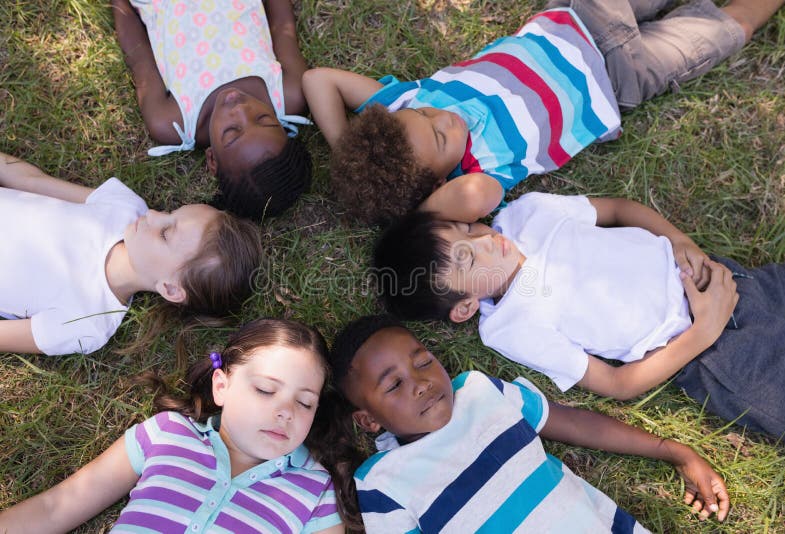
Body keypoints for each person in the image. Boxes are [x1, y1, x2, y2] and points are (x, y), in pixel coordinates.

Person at [373, 191, 785, 447]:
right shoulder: (509, 326)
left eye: (465, 227)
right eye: (468, 255)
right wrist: (705, 331)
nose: (484, 237)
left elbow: (617, 209)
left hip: (724, 276)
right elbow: (618, 384)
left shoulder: (526, 214)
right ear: (465, 306)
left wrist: (680, 240)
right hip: (717, 352)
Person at [303, 0, 785, 225]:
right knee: (721, 32)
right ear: (437, 184)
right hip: (622, 78)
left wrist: (351, 148)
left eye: (428, 115)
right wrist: (412, 213)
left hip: (580, 15)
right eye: (442, 139)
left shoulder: (402, 106)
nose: (445, 120)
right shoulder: (482, 174)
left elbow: (317, 80)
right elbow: (469, 202)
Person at [328, 314, 730, 532]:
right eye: (395, 384)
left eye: (422, 361)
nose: (421, 383)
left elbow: (573, 423)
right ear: (368, 420)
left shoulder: (480, 392)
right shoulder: (381, 481)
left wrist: (672, 450)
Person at [0, 318, 357, 533]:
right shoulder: (168, 433)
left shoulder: (313, 490)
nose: (286, 412)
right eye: (265, 390)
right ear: (222, 386)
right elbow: (56, 507)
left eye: (305, 401)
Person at [0, 151, 262, 356]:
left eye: (165, 233)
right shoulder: (126, 207)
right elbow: (33, 182)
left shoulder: (89, 322)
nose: (154, 215)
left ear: (170, 289)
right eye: (171, 213)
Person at [112, 0, 312, 220]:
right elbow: (283, 23)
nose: (240, 109)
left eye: (232, 131)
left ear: (212, 159)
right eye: (264, 118)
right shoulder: (289, 93)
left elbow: (139, 58)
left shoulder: (172, 122)